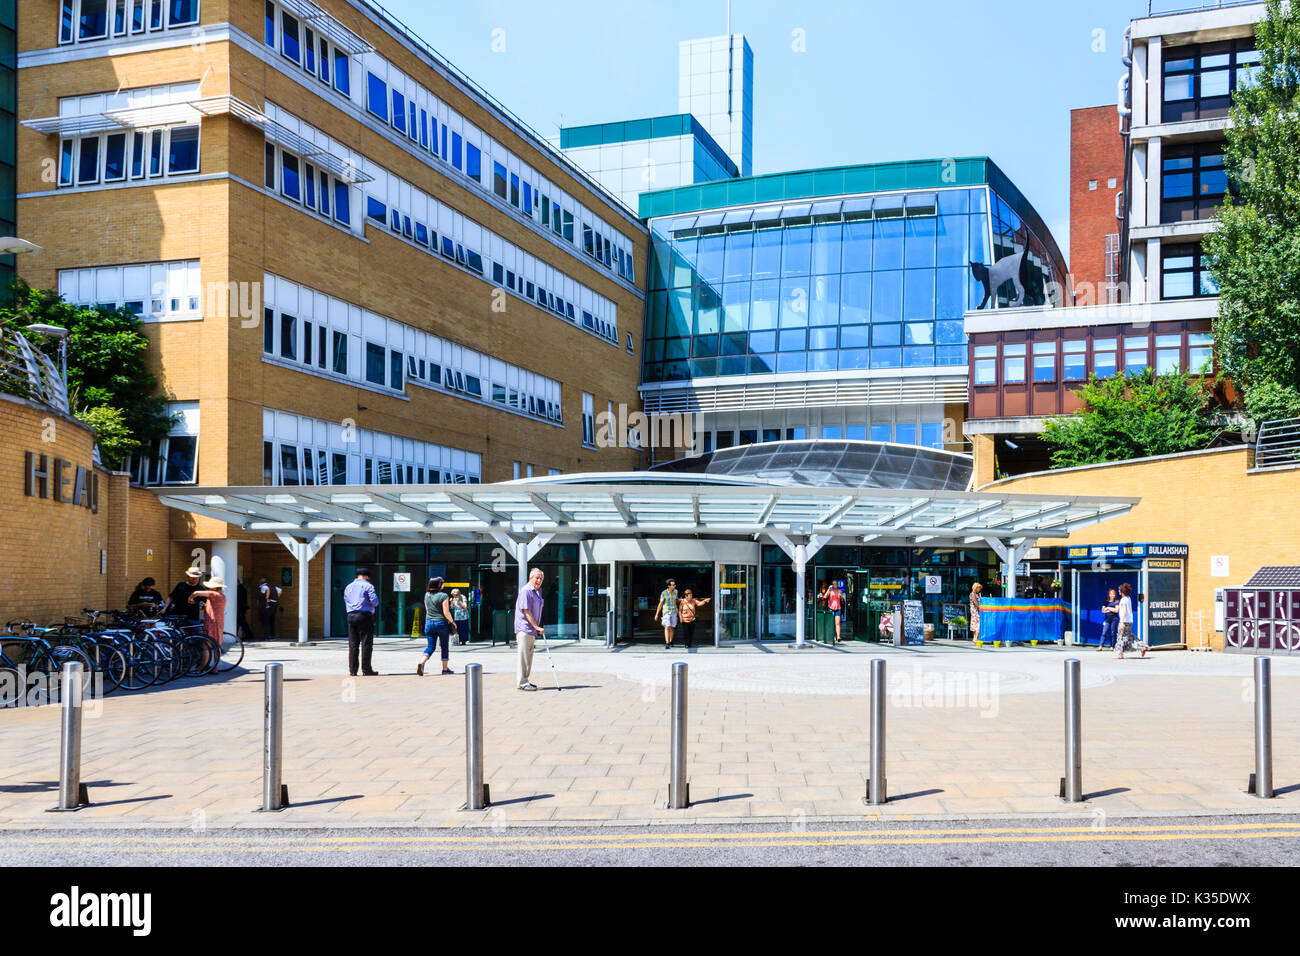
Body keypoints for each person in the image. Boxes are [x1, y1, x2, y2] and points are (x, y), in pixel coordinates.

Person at [343, 568, 380, 676]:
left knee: (353, 644)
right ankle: (366, 669)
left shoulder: (348, 586)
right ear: (366, 576)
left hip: (350, 615)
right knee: (366, 643)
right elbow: (375, 602)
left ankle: (353, 670)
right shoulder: (368, 586)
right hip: (364, 615)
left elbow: (346, 600)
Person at [187, 576, 227, 672]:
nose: (208, 588)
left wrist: (190, 598)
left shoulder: (214, 594)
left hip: (211, 622)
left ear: (215, 587)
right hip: (219, 622)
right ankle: (215, 668)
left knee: (205, 645)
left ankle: (202, 666)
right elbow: (209, 608)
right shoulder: (222, 596)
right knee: (216, 646)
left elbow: (196, 593)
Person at [514, 567, 545, 691]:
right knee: (523, 657)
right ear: (530, 578)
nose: (538, 580)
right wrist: (536, 627)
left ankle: (526, 681)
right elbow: (526, 611)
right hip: (524, 629)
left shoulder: (538, 591)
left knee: (528, 657)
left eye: (541, 578)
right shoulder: (526, 591)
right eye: (536, 578)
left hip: (531, 630)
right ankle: (522, 682)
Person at [417, 576, 455, 676]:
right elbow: (446, 612)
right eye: (442, 583)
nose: (443, 585)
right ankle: (445, 669)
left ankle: (422, 662)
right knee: (444, 646)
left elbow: (427, 610)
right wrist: (452, 622)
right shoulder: (444, 596)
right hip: (441, 623)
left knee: (431, 646)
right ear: (439, 585)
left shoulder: (426, 595)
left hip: (429, 623)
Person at [1114, 581, 1147, 659]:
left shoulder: (1123, 600)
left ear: (1122, 592)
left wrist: (1121, 622)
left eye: (1119, 590)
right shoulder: (1128, 599)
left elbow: (1124, 611)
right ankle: (1141, 647)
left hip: (1124, 621)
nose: (1118, 591)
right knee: (1129, 637)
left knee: (1120, 637)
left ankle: (1120, 654)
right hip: (1129, 621)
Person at [653, 577, 679, 649]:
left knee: (672, 627)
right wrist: (657, 614)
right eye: (673, 585)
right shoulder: (664, 593)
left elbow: (676, 600)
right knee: (667, 627)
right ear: (669, 585)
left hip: (674, 611)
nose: (674, 586)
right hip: (666, 612)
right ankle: (667, 643)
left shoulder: (676, 591)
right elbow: (660, 604)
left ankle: (671, 641)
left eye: (674, 585)